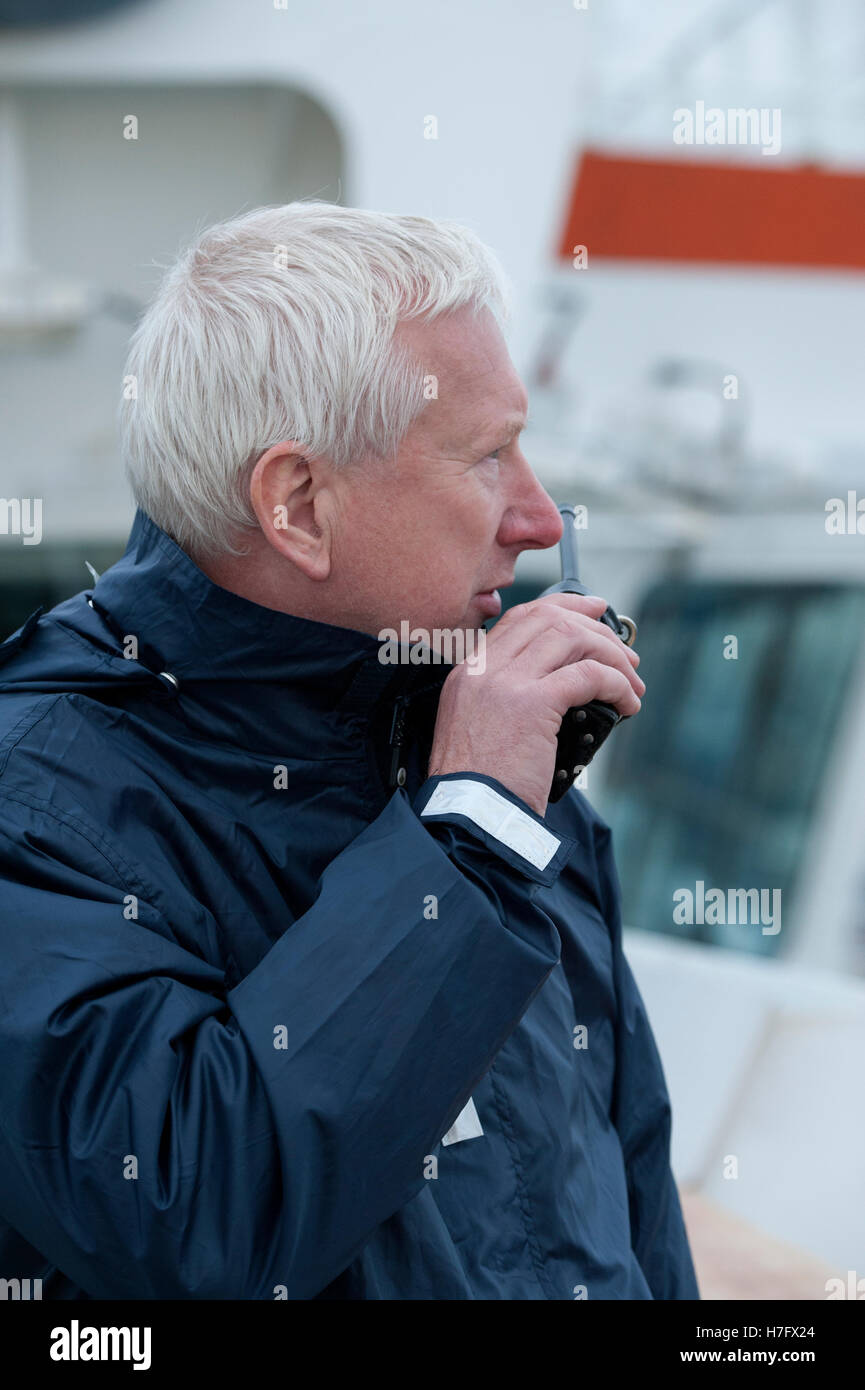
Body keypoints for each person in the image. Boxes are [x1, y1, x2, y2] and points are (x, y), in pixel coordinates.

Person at [0, 202, 699, 1300]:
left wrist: (476, 806)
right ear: (299, 505)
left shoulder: (494, 756)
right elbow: (195, 1217)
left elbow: (631, 1190)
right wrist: (463, 840)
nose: (533, 516)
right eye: (486, 457)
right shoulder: (33, 811)